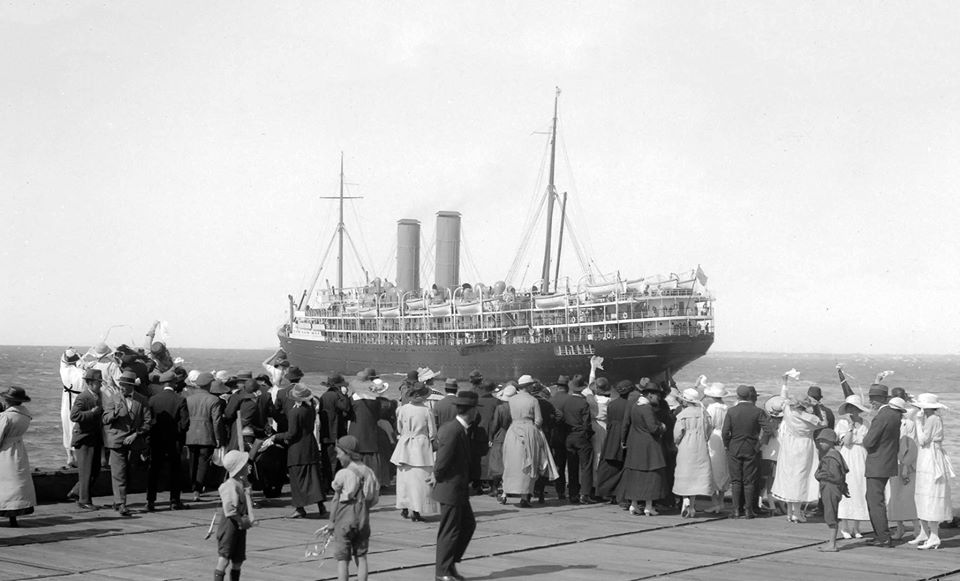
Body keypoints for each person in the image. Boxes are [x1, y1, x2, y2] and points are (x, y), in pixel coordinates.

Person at [429, 392, 478, 581]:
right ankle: (442, 572)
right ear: (471, 410)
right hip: (449, 488)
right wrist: (437, 477)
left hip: (458, 489)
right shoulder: (453, 430)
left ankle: (450, 564)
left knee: (467, 525)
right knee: (449, 531)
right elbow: (442, 461)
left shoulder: (460, 428)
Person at [327, 435, 380, 581]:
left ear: (347, 453)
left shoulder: (343, 474)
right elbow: (374, 498)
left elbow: (336, 499)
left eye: (338, 453)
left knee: (343, 559)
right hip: (363, 519)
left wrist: (331, 522)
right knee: (361, 556)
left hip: (344, 519)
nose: (337, 457)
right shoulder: (369, 472)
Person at [771, 379, 823, 523]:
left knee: (789, 476)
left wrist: (785, 382)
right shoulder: (809, 418)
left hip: (789, 445)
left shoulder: (788, 410)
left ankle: (789, 512)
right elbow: (822, 423)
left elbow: (782, 400)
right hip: (804, 446)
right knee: (801, 478)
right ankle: (797, 512)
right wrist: (816, 406)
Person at [501, 378, 558, 507]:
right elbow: (538, 420)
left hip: (513, 430)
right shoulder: (533, 400)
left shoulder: (512, 400)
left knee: (510, 463)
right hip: (529, 431)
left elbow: (507, 417)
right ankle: (524, 497)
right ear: (527, 386)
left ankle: (505, 492)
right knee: (529, 462)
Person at [274, 384, 328, 519]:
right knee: (314, 477)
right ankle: (321, 506)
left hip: (297, 449)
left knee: (297, 479)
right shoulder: (310, 409)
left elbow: (291, 434)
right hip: (310, 445)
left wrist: (276, 437)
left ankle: (299, 508)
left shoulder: (294, 412)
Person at [102, 370, 152, 516]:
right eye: (121, 384)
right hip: (117, 441)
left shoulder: (142, 400)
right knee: (119, 473)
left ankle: (118, 499)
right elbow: (105, 419)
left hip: (134, 442)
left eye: (125, 385)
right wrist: (115, 413)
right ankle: (121, 503)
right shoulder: (113, 399)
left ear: (131, 386)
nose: (122, 387)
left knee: (129, 472)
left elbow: (148, 421)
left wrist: (136, 434)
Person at [862, 386, 904, 547]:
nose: (870, 400)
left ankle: (883, 537)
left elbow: (868, 441)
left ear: (881, 399)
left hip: (877, 463)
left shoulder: (882, 416)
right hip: (888, 461)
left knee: (874, 500)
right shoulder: (895, 414)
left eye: (873, 397)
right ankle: (881, 534)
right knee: (876, 499)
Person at [390, 382, 438, 522]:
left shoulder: (403, 409)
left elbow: (398, 428)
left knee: (404, 479)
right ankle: (416, 510)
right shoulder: (426, 411)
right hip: (420, 447)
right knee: (420, 480)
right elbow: (432, 432)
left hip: (404, 446)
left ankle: (404, 506)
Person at [911, 394, 952, 550]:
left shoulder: (932, 419)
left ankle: (933, 535)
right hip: (928, 455)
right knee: (923, 492)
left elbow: (922, 440)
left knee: (929, 492)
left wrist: (917, 422)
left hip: (930, 456)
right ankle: (924, 532)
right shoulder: (933, 418)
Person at [721, 384, 768, 519]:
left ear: (737, 396)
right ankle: (748, 510)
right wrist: (759, 445)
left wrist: (727, 445)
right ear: (750, 396)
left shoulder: (731, 411)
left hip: (734, 447)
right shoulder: (757, 411)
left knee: (736, 480)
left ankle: (736, 510)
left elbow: (725, 432)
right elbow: (768, 430)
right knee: (749, 481)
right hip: (751, 448)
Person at [619, 383, 667, 516]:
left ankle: (634, 505)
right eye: (657, 395)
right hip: (648, 446)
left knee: (635, 476)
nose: (658, 398)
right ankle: (648, 506)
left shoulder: (635, 406)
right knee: (650, 476)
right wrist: (662, 427)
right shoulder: (647, 408)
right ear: (650, 394)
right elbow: (653, 428)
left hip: (636, 445)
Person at [147, 369, 190, 511]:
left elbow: (149, 421)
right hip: (174, 441)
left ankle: (151, 501)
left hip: (156, 440)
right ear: (174, 382)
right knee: (175, 471)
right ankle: (174, 500)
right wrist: (178, 433)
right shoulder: (180, 399)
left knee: (154, 470)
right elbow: (185, 423)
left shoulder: (153, 399)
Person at [673, 388, 714, 517]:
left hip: (686, 446)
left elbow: (677, 434)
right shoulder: (704, 413)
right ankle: (692, 506)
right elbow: (709, 430)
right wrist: (704, 438)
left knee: (685, 473)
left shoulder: (682, 415)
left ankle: (685, 500)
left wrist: (677, 442)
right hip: (700, 445)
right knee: (696, 476)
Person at [0, 386, 37, 527]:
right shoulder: (25, 416)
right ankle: (13, 518)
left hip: (5, 451)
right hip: (18, 448)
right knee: (16, 482)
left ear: (8, 401)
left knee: (4, 484)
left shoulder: (6, 416)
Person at [214, 450, 253, 581]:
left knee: (238, 560)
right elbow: (229, 509)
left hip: (240, 525)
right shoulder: (229, 485)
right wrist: (241, 520)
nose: (248, 466)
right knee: (224, 558)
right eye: (245, 464)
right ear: (239, 468)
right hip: (230, 525)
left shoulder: (241, 483)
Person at [556, 376, 595, 505]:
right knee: (586, 466)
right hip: (580, 436)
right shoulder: (584, 403)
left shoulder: (567, 401)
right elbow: (586, 424)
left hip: (568, 436)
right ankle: (585, 493)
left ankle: (573, 494)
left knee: (572, 467)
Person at [185, 371, 224, 501]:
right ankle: (197, 489)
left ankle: (192, 485)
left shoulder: (188, 398)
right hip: (207, 434)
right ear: (209, 384)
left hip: (190, 434)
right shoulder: (214, 399)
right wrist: (218, 437)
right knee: (203, 463)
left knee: (192, 461)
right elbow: (216, 421)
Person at [836, 394, 870, 538]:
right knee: (847, 488)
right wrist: (850, 427)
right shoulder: (842, 423)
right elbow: (847, 442)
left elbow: (868, 441)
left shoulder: (867, 423)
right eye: (849, 407)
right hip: (848, 455)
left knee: (860, 488)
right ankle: (844, 526)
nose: (851, 410)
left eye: (854, 408)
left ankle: (856, 527)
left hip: (862, 456)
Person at [69, 369, 104, 510]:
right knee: (86, 471)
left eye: (100, 382)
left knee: (95, 469)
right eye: (98, 382)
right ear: (89, 383)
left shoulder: (98, 395)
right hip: (84, 438)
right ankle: (84, 500)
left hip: (93, 437)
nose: (100, 385)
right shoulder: (83, 397)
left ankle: (77, 492)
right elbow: (74, 416)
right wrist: (91, 413)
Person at [596, 380, 632, 503]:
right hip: (623, 434)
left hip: (611, 434)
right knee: (622, 464)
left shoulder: (612, 404)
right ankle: (619, 493)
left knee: (609, 463)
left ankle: (607, 492)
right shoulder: (630, 405)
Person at [813, 428, 849, 553]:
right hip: (831, 488)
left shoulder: (831, 457)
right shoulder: (834, 454)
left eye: (824, 441)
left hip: (830, 488)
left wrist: (819, 475)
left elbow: (835, 476)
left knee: (830, 514)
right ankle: (831, 542)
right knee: (831, 513)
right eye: (820, 441)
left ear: (831, 442)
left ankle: (832, 543)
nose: (820, 443)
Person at [888, 402, 919, 541]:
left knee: (908, 496)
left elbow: (911, 445)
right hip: (894, 462)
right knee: (895, 497)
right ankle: (901, 527)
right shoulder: (891, 423)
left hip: (905, 463)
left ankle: (916, 528)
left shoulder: (907, 424)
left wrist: (906, 465)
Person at [702, 382, 730, 513]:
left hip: (713, 437)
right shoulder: (726, 407)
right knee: (723, 468)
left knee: (712, 468)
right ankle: (722, 501)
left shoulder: (711, 408)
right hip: (723, 437)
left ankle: (715, 503)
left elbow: (708, 425)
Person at [320, 373, 351, 486]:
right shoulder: (337, 396)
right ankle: (335, 484)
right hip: (336, 433)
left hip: (325, 433)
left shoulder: (324, 395)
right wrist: (345, 394)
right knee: (336, 461)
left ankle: (327, 484)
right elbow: (346, 407)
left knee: (326, 460)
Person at [760, 395, 785, 515]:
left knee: (766, 483)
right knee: (771, 483)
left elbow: (763, 440)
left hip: (767, 455)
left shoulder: (768, 424)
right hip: (777, 457)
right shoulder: (785, 425)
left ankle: (767, 504)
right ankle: (772, 505)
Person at [59, 348, 83, 467]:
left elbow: (63, 361)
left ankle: (69, 456)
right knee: (76, 427)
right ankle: (78, 457)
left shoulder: (64, 370)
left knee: (66, 427)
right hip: (77, 401)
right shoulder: (80, 373)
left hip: (66, 403)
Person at [548, 376, 571, 500]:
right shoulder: (571, 399)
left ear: (557, 387)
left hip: (556, 436)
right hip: (570, 434)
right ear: (567, 387)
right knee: (572, 465)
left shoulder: (551, 400)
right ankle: (573, 491)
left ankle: (560, 490)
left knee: (559, 465)